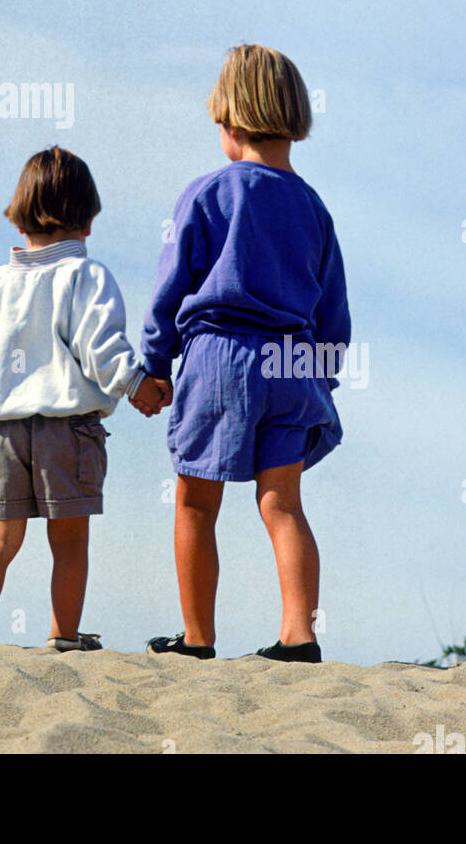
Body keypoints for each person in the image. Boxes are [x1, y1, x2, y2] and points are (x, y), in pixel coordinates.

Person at [141, 45, 350, 663]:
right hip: (293, 363)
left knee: (195, 502)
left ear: (230, 120)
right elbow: (333, 310)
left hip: (221, 357)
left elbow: (172, 285)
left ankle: (199, 638)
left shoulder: (209, 193)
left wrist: (156, 364)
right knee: (282, 504)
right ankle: (298, 634)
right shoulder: (313, 207)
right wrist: (323, 375)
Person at [0, 146, 166, 651]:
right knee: (69, 541)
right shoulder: (86, 276)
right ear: (88, 221)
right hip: (67, 427)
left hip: (3, 433)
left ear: (19, 217)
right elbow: (98, 348)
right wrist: (137, 383)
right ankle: (63, 636)